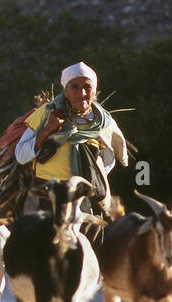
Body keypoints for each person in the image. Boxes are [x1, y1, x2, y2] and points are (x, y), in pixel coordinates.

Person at [14, 61, 129, 216]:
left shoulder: (104, 123)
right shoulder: (46, 113)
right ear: (65, 91)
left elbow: (109, 161)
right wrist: (48, 130)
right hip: (46, 196)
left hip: (85, 199)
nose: (81, 93)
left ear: (94, 92)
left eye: (87, 87)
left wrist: (91, 173)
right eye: (74, 87)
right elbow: (21, 155)